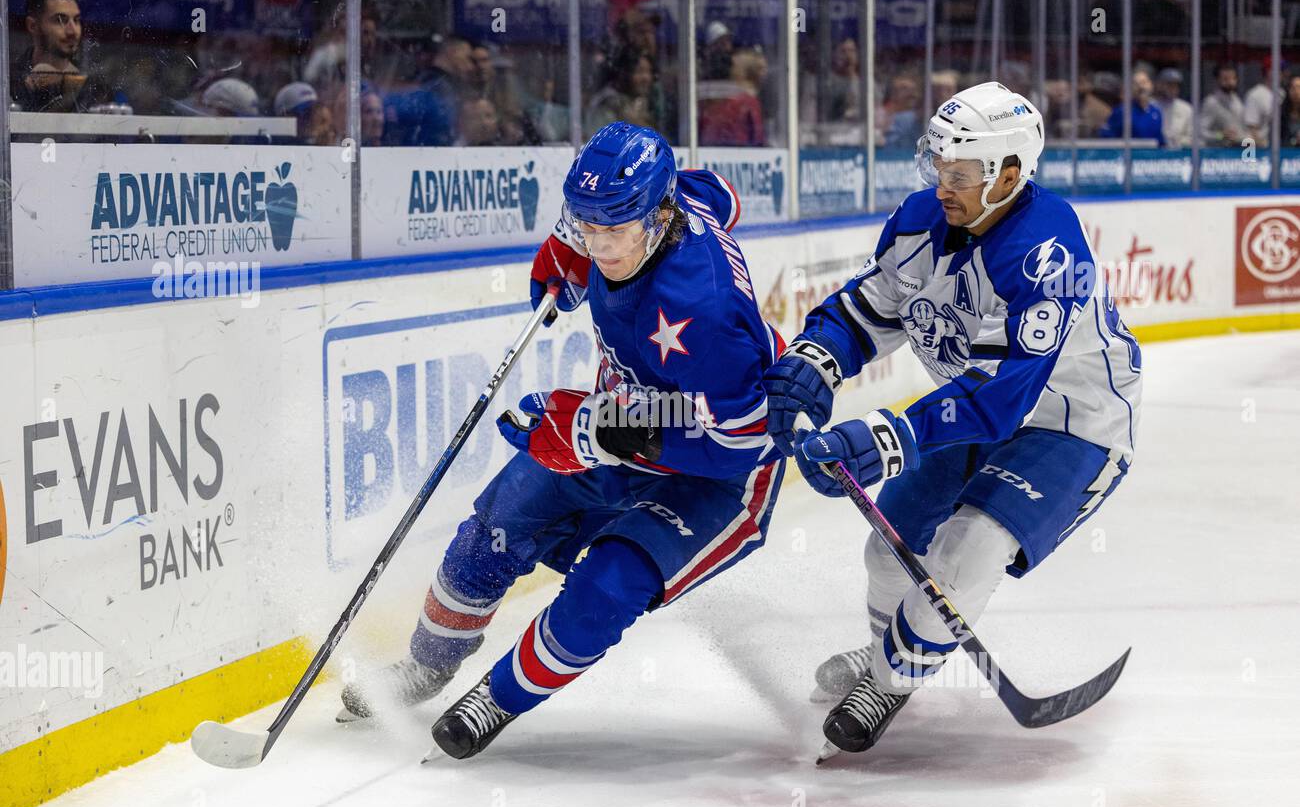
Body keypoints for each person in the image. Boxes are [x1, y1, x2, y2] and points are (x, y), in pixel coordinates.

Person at [339, 123, 788, 760]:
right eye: (587, 226)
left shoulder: (704, 308)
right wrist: (568, 242)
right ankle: (426, 667)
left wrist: (601, 431)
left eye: (614, 231)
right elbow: (718, 192)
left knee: (607, 585)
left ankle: (497, 698)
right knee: (496, 522)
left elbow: (743, 440)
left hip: (718, 472)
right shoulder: (666, 205)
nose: (601, 248)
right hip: (629, 426)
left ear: (659, 220)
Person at [762, 82, 1142, 756]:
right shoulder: (920, 222)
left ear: (1011, 173)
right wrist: (815, 360)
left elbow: (1003, 394)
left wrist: (887, 436)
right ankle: (889, 651)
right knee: (889, 549)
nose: (944, 185)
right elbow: (869, 309)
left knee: (970, 550)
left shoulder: (1046, 251)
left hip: (1069, 424)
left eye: (961, 174)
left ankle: (886, 681)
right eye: (939, 168)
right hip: (970, 413)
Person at [10, 0, 110, 113]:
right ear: (33, 26)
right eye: (60, 20)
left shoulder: (93, 85)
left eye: (76, 20)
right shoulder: (9, 80)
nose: (72, 31)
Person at [1099, 68, 1165, 146]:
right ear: (1131, 89)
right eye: (1136, 84)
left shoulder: (1156, 111)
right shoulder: (1122, 111)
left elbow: (1160, 140)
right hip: (1130, 156)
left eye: (1144, 82)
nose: (1141, 87)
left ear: (1151, 85)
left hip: (1151, 156)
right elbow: (1106, 136)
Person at [1201, 63, 1247, 146]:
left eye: (1233, 78)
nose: (1230, 82)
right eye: (1225, 79)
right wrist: (1220, 135)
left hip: (1237, 150)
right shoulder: (1211, 102)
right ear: (1218, 80)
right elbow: (1201, 132)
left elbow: (1243, 129)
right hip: (1217, 154)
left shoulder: (1237, 101)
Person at [1154, 68, 1194, 148]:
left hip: (1179, 154)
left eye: (1176, 85)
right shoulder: (1152, 106)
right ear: (1160, 85)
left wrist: (1177, 141)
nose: (1173, 88)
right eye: (1169, 85)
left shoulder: (1186, 108)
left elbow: (1192, 137)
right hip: (1155, 152)